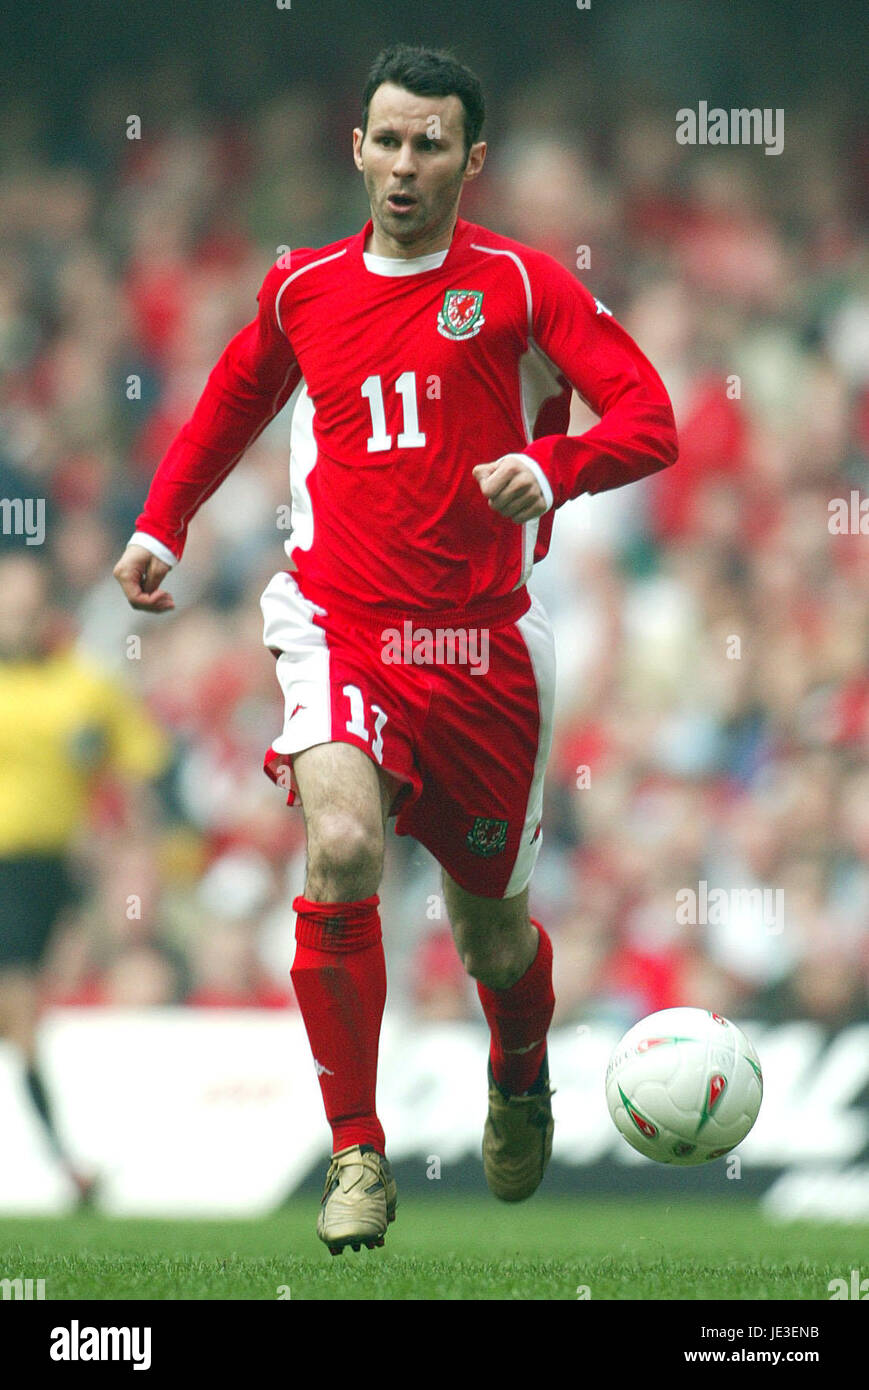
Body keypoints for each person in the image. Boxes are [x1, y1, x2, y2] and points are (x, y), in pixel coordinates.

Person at [113, 44, 678, 1254]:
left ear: (470, 159)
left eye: (431, 143)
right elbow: (229, 400)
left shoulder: (522, 286)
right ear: (355, 148)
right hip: (338, 624)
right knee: (342, 843)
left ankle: (517, 1065)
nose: (405, 163)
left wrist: (557, 466)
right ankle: (356, 1151)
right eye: (387, 138)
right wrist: (161, 521)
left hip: (482, 650)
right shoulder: (301, 287)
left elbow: (649, 419)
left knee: (490, 937)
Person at [0, 553, 169, 1204]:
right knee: (19, 1010)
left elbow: (140, 769)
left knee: (26, 1017)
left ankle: (68, 1161)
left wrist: (134, 852)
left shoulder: (85, 688)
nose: (14, 620)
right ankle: (66, 1162)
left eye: (24, 607)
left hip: (55, 876)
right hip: (4, 873)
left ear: (47, 612)